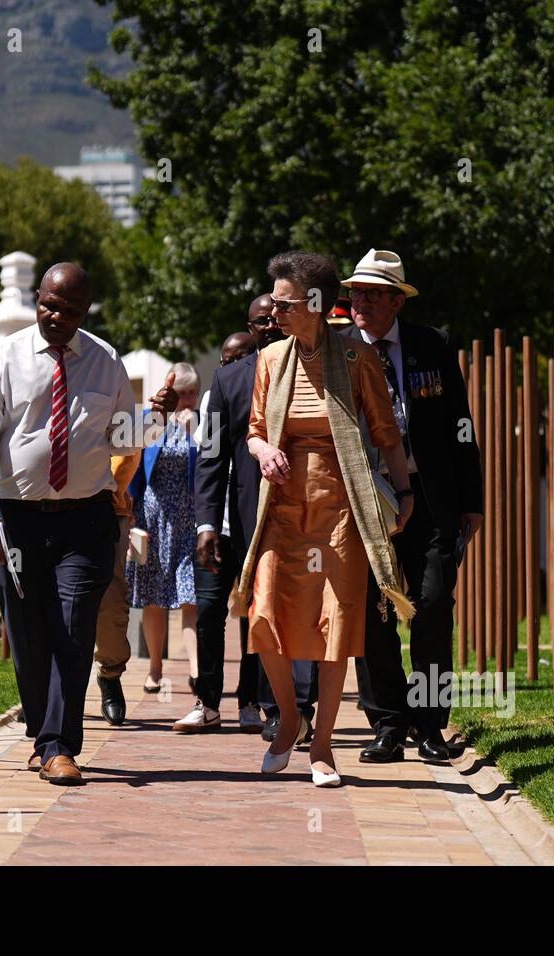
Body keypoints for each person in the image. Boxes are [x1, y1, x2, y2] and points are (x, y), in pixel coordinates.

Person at [0, 262, 177, 786]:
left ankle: (59, 745)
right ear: (38, 298)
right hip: (16, 519)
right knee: (29, 633)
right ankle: (43, 732)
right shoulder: (4, 359)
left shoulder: (104, 362)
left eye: (68, 310)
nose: (55, 316)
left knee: (74, 626)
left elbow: (124, 438)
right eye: (48, 304)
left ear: (84, 312)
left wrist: (155, 416)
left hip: (86, 518)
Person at [238, 251, 415, 788]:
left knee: (337, 622)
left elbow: (385, 431)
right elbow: (252, 429)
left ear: (315, 303)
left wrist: (404, 494)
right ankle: (290, 719)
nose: (275, 312)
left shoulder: (357, 356)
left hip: (343, 504)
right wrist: (263, 449)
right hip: (284, 502)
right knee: (262, 613)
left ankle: (323, 747)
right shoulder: (270, 359)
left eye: (285, 303)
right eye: (274, 302)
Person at [338, 248, 483, 763]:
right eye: (356, 291)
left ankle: (430, 726)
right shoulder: (337, 350)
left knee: (433, 605)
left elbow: (459, 426)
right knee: (375, 614)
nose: (361, 302)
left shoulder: (431, 344)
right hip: (363, 498)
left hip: (430, 496)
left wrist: (472, 502)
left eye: (374, 294)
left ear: (398, 302)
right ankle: (388, 725)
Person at [173, 322, 264, 733]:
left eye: (238, 359)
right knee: (209, 612)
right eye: (225, 361)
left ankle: (251, 701)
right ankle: (207, 702)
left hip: (257, 526)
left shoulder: (273, 385)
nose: (230, 366)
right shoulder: (214, 398)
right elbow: (209, 465)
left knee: (256, 617)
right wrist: (205, 523)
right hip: (220, 529)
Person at [126, 363, 201, 693]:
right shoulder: (152, 421)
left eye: (191, 393)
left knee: (191, 596)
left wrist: (192, 434)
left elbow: (208, 470)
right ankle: (155, 669)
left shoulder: (203, 425)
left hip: (188, 520)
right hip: (153, 519)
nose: (186, 400)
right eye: (180, 393)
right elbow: (133, 463)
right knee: (154, 598)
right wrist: (128, 510)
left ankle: (197, 671)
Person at [92, 447, 142, 725]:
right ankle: (44, 690)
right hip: (48, 506)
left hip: (108, 506)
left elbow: (129, 446)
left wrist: (110, 487)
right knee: (49, 600)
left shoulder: (112, 401)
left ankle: (110, 676)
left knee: (110, 601)